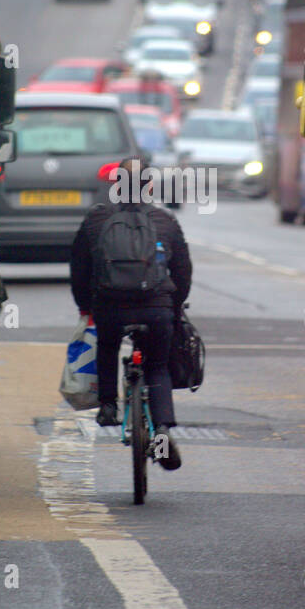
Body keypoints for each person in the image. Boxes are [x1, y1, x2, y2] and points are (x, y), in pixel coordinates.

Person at [70, 157, 192, 470]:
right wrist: (174, 306)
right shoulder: (165, 221)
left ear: (115, 184)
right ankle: (162, 431)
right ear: (150, 185)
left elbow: (79, 269)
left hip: (110, 306)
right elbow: (183, 271)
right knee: (158, 367)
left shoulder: (96, 220)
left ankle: (108, 406)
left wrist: (86, 307)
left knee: (108, 346)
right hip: (156, 309)